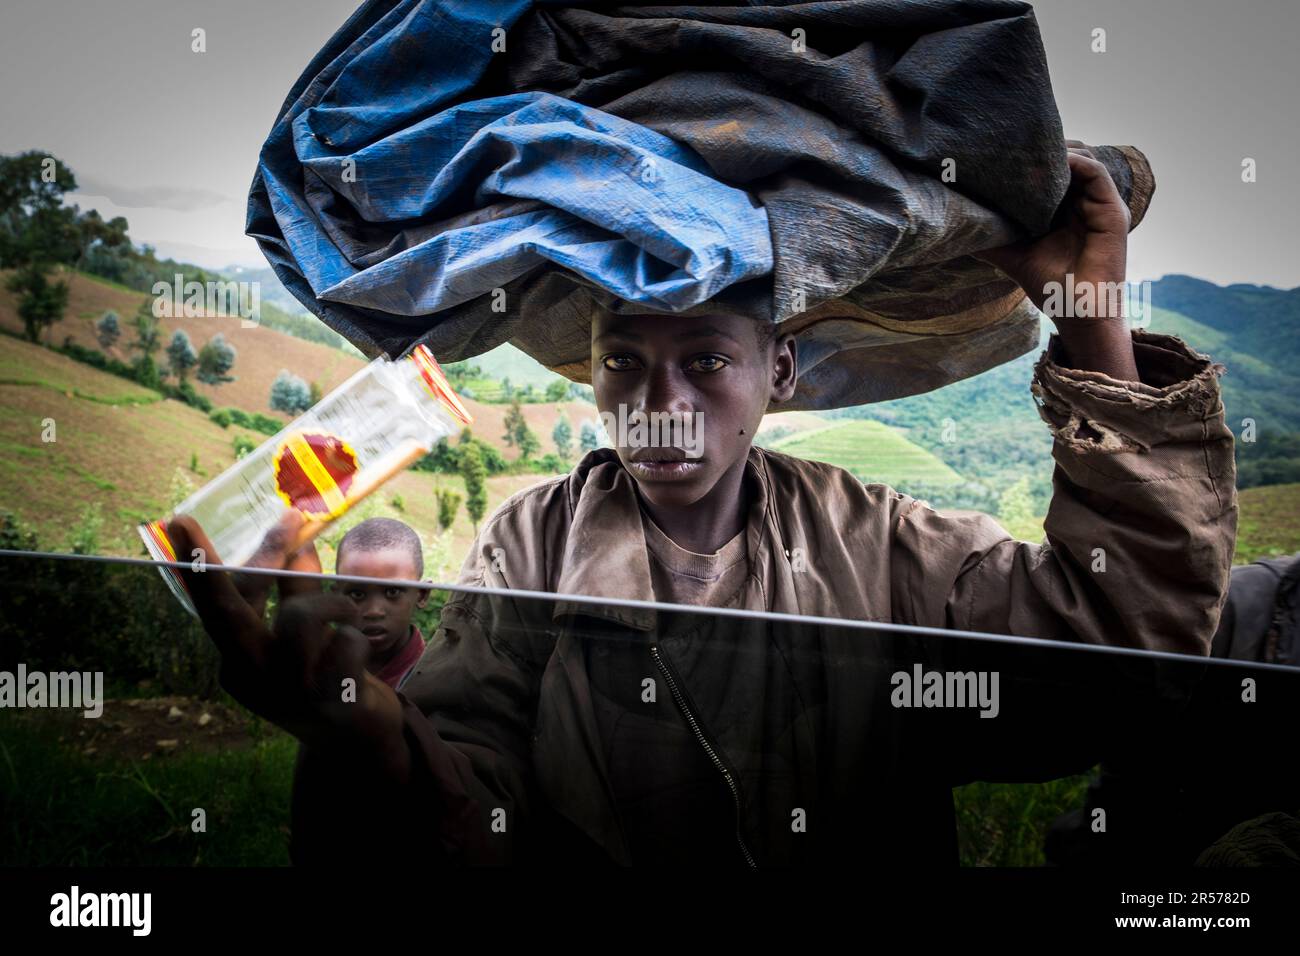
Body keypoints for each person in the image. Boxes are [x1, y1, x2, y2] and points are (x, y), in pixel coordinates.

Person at [167, 143, 1237, 866]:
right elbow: (474, 802)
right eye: (622, 358)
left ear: (777, 373)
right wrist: (364, 728)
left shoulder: (882, 543)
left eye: (706, 359)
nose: (659, 404)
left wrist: (1089, 314)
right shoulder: (529, 542)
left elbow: (1122, 659)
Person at [333, 517, 430, 690]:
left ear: (422, 595)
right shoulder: (320, 662)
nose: (373, 612)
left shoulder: (436, 680)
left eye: (392, 592)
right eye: (357, 594)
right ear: (336, 595)